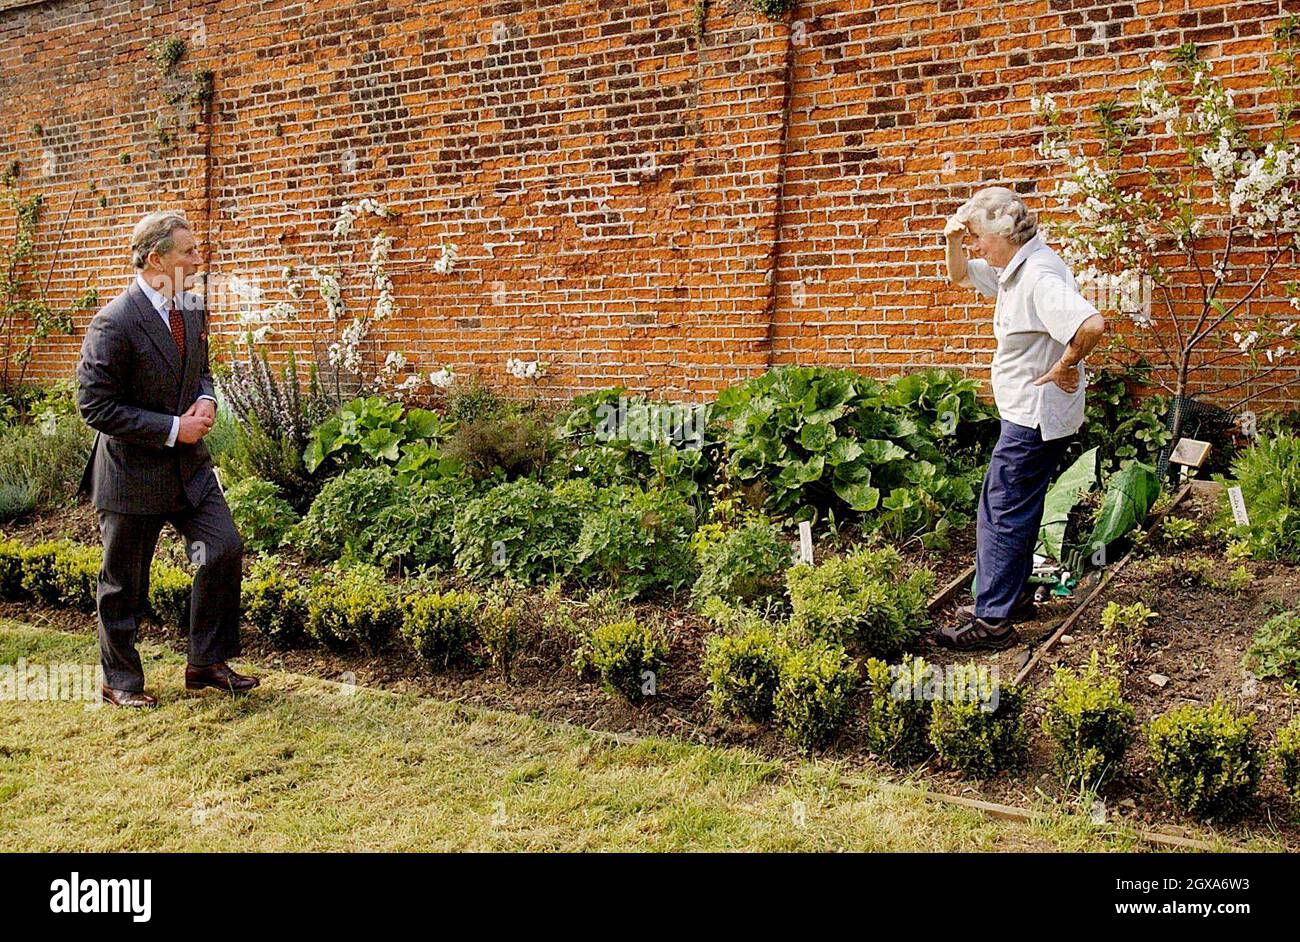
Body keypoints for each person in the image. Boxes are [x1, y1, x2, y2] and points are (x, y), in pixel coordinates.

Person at [77, 210, 258, 707]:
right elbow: (95, 406)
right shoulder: (114, 322)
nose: (199, 259)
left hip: (189, 471)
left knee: (222, 548)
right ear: (157, 259)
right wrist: (175, 428)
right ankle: (120, 681)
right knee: (123, 584)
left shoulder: (193, 308)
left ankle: (205, 662)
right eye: (189, 252)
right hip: (132, 474)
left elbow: (201, 372)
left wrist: (208, 399)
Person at [937, 187, 1106, 650]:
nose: (972, 246)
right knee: (1018, 506)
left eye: (975, 237)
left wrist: (1065, 365)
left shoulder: (1037, 277)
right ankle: (1013, 598)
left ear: (1004, 232)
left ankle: (992, 620)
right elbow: (958, 276)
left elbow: (1090, 325)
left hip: (1033, 418)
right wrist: (954, 238)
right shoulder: (1013, 269)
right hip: (1030, 413)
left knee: (1001, 510)